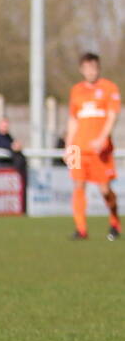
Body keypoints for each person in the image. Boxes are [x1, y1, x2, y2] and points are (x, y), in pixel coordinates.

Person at [65, 52, 120, 241]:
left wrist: (102, 138)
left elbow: (113, 116)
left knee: (105, 190)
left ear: (99, 68)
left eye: (94, 67)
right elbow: (73, 120)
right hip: (79, 149)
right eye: (87, 68)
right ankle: (81, 229)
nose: (91, 71)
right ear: (82, 70)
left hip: (101, 150)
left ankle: (114, 221)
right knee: (78, 185)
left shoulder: (109, 88)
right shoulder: (76, 91)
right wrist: (68, 146)